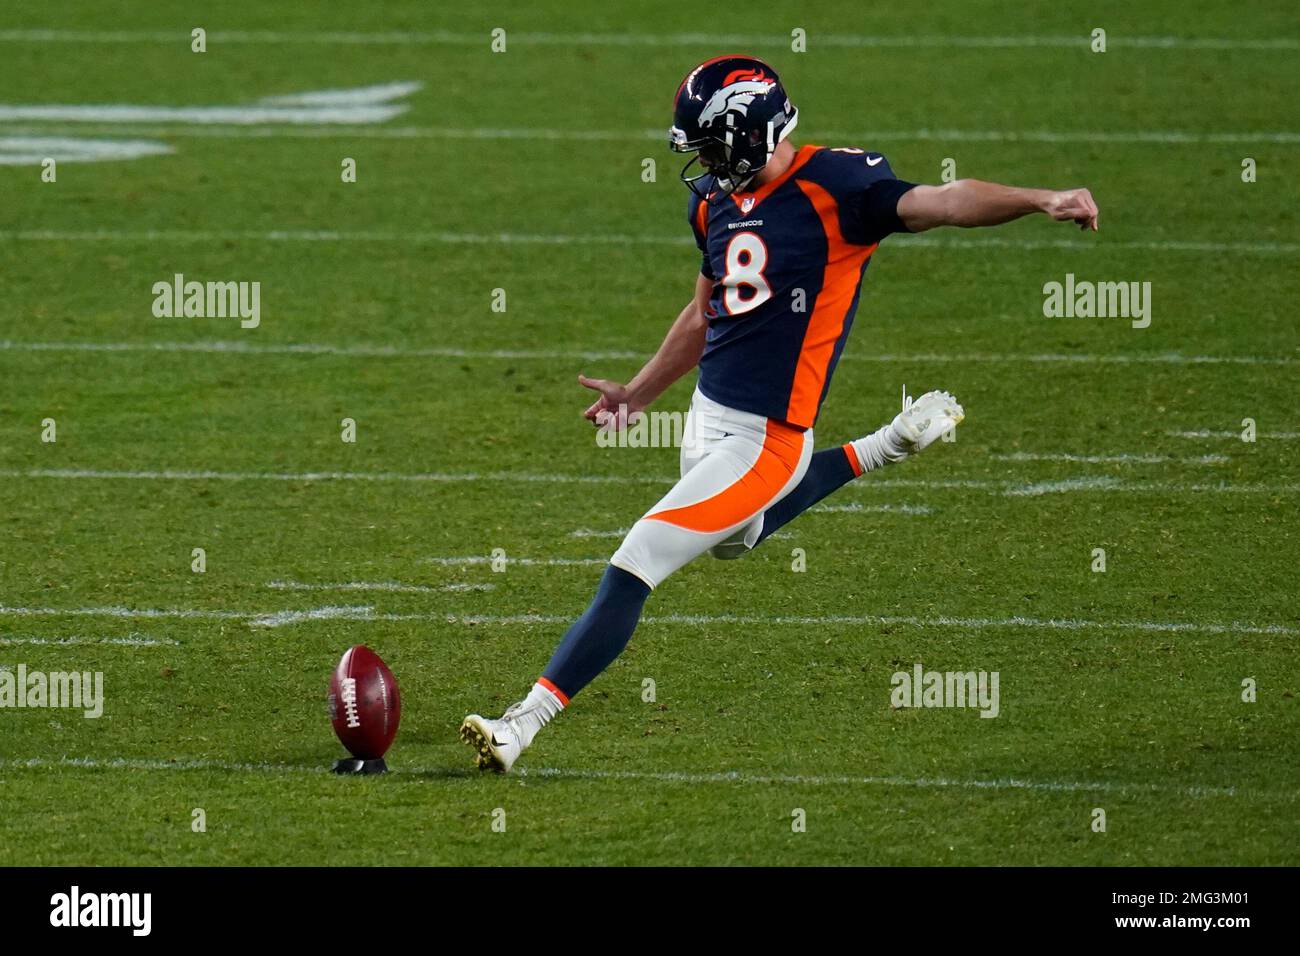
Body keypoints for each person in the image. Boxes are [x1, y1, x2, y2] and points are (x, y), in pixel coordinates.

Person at [461, 54, 1098, 772]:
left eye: (708, 145)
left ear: (748, 133)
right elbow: (704, 314)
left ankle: (523, 724)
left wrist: (1041, 198)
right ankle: (883, 447)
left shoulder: (840, 186)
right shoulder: (712, 201)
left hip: (768, 441)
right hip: (708, 419)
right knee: (737, 537)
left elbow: (946, 201)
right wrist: (638, 394)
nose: (701, 162)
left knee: (640, 557)